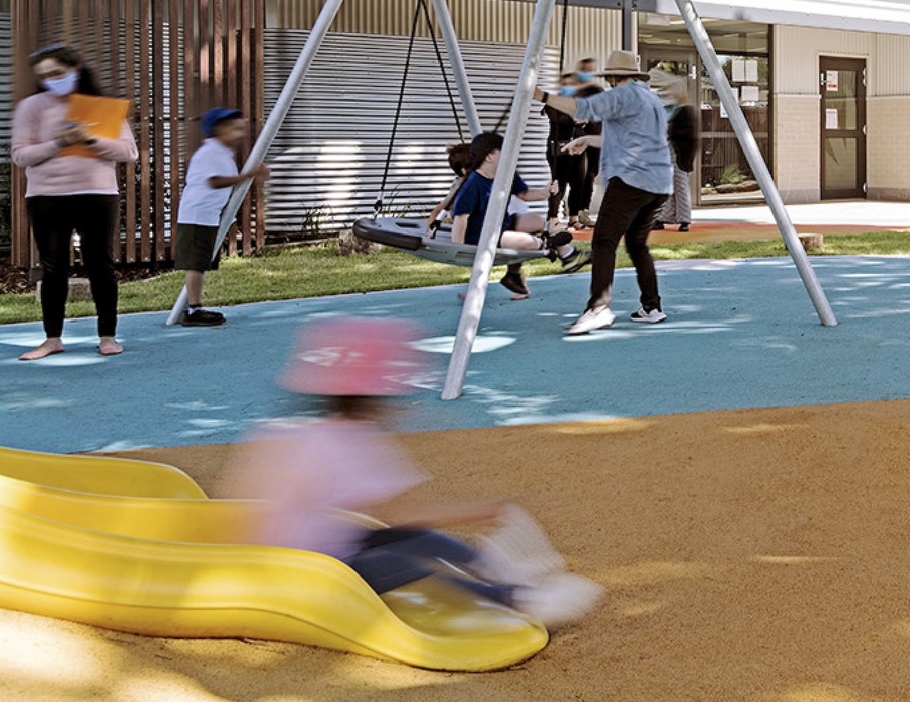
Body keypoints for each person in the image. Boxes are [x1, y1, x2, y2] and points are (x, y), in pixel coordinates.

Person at [223, 316, 599, 623]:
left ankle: (503, 573)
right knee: (406, 561)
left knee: (420, 541)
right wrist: (490, 508)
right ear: (373, 398)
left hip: (299, 554)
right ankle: (514, 598)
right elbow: (404, 513)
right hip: (306, 571)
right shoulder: (345, 443)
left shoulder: (310, 433)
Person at [12, 45, 139, 361]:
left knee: (100, 264)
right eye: (44, 76)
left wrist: (89, 139)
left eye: (57, 73)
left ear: (76, 70)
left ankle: (107, 336)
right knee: (53, 267)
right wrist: (60, 142)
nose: (51, 80)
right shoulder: (31, 107)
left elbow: (129, 152)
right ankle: (52, 338)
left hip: (97, 194)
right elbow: (20, 155)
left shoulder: (101, 106)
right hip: (46, 197)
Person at [539, 50, 672, 336]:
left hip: (632, 180)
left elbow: (581, 109)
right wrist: (588, 139)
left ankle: (598, 309)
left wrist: (542, 95)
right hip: (659, 185)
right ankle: (652, 306)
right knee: (637, 244)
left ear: (613, 76)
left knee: (603, 241)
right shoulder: (650, 99)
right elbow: (631, 136)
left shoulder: (622, 95)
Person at [448, 131, 578, 299]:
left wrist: (546, 192)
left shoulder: (505, 175)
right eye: (503, 152)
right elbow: (461, 218)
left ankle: (563, 252)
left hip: (501, 225)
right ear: (489, 157)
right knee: (523, 241)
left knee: (535, 219)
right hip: (482, 236)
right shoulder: (473, 184)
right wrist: (459, 247)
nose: (508, 156)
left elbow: (524, 194)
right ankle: (548, 244)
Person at [170, 108, 268, 328]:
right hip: (198, 215)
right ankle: (194, 310)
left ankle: (195, 307)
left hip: (208, 215)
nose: (239, 133)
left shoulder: (222, 153)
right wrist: (248, 175)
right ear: (217, 130)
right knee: (196, 264)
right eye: (233, 128)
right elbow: (214, 181)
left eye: (240, 128)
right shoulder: (210, 152)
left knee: (201, 262)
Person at [543, 61, 602, 229]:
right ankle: (553, 218)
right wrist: (574, 118)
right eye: (567, 85)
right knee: (559, 183)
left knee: (579, 183)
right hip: (559, 149)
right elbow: (558, 118)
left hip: (578, 148)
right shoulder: (554, 102)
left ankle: (573, 218)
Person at [659, 74, 698, 232]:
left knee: (680, 186)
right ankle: (664, 217)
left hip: (679, 153)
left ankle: (684, 219)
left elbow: (690, 137)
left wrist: (687, 159)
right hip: (666, 151)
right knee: (668, 185)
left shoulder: (686, 111)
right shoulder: (670, 109)